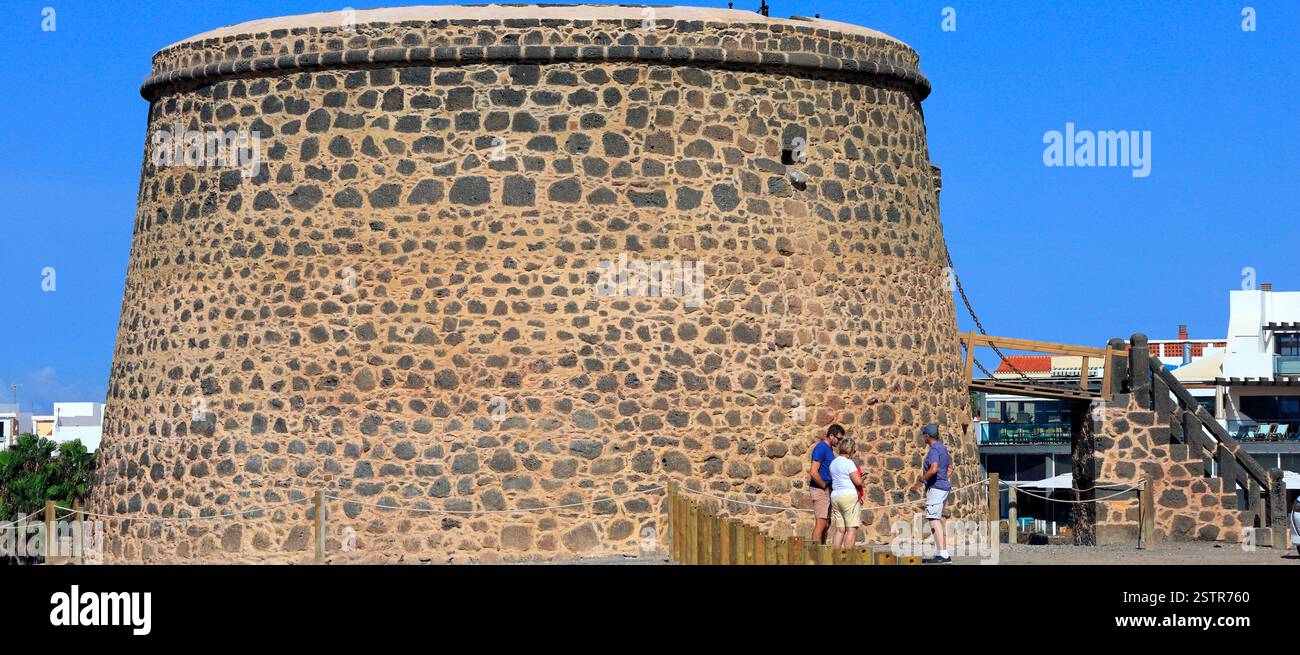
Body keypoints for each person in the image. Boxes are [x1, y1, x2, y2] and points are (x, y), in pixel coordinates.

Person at [911, 423, 952, 564]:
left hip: (936, 488)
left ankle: (943, 555)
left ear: (927, 436)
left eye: (924, 435)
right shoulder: (943, 448)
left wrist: (922, 480)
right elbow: (951, 467)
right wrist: (944, 478)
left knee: (934, 519)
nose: (923, 437)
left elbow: (933, 468)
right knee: (935, 519)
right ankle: (942, 553)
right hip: (943, 487)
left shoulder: (934, 449)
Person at [808, 424, 845, 544]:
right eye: (838, 439)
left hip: (827, 490)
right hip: (820, 489)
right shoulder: (821, 448)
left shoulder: (829, 449)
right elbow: (813, 472)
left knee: (827, 523)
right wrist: (824, 486)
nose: (840, 442)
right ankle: (814, 555)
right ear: (831, 435)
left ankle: (822, 551)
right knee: (821, 523)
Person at [828, 437, 864, 548]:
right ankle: (848, 558)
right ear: (850, 450)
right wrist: (862, 479)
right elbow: (858, 482)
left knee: (840, 529)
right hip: (848, 496)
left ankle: (834, 556)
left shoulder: (833, 463)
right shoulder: (849, 463)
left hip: (835, 496)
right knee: (851, 529)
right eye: (854, 449)